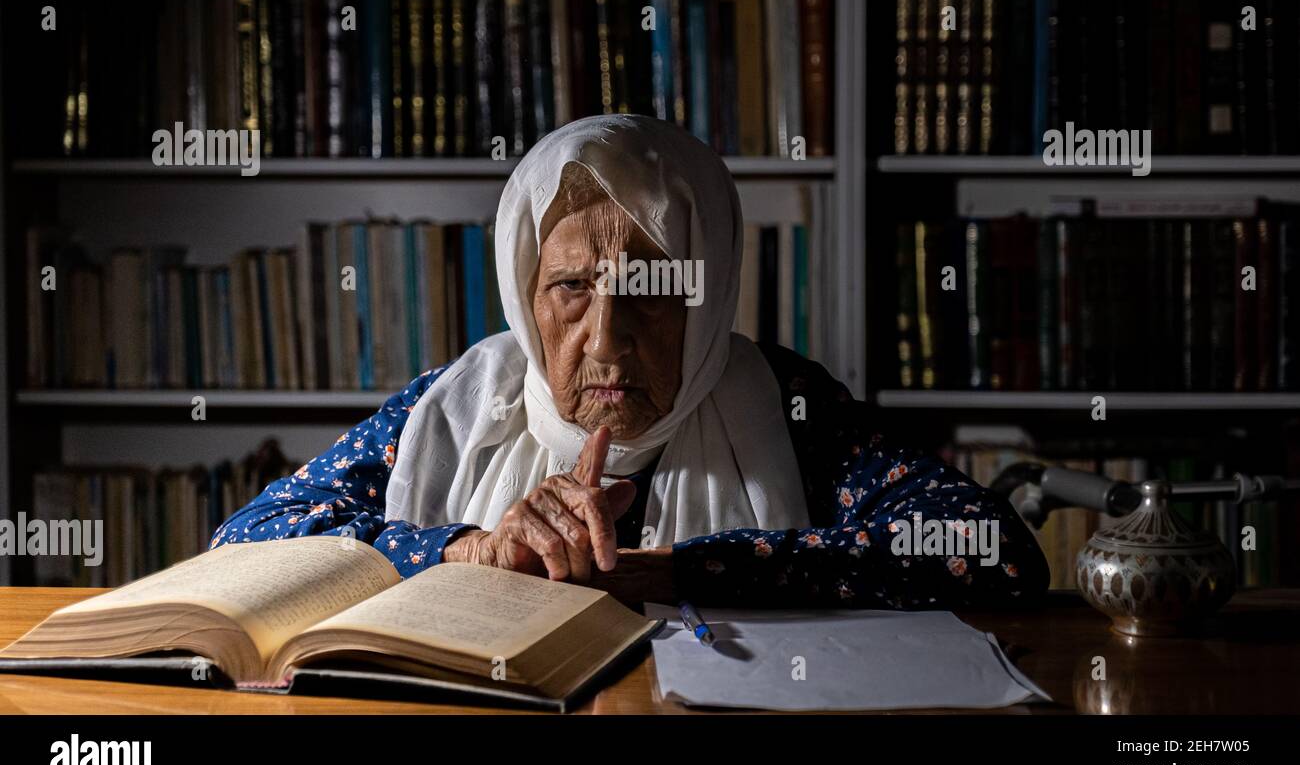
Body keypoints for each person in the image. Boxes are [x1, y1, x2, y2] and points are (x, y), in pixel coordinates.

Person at [211, 114, 1049, 608]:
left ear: (710, 291)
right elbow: (243, 545)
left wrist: (683, 572)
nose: (606, 339)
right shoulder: (461, 407)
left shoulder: (787, 405)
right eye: (571, 286)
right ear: (523, 294)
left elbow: (993, 549)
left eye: (650, 289)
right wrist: (467, 553)